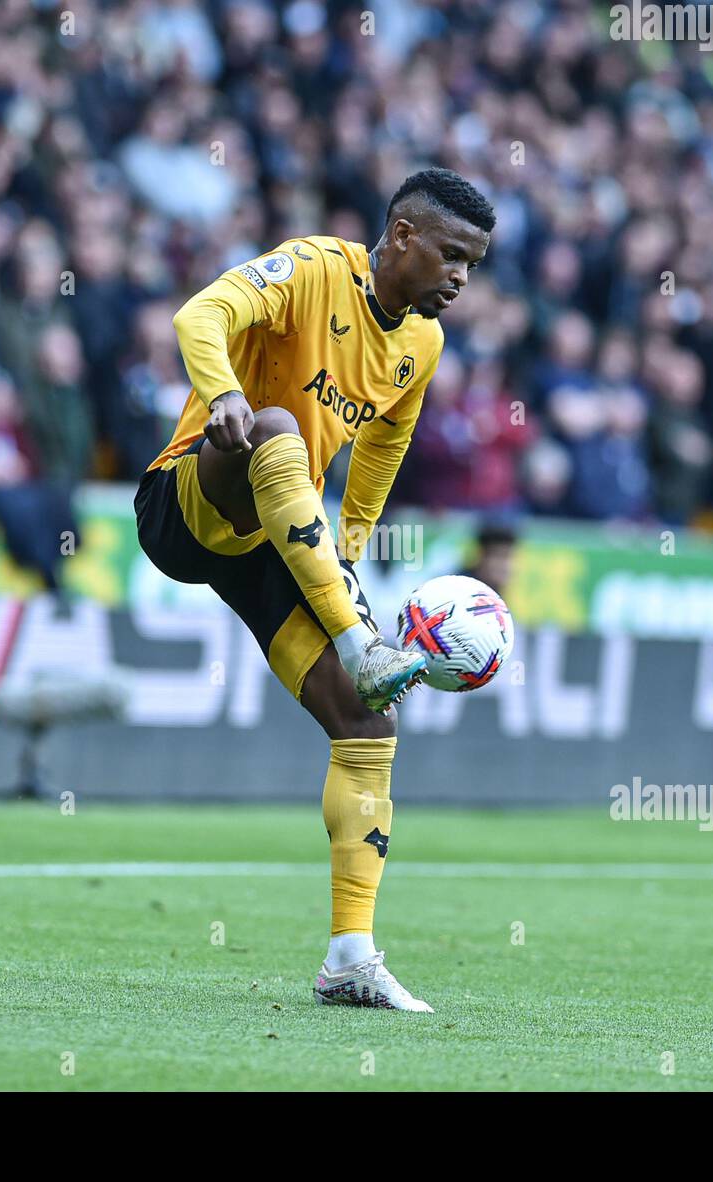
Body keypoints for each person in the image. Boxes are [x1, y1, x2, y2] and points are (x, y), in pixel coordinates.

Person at [135, 168, 494, 1011]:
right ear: (401, 234)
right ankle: (357, 640)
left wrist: (353, 548)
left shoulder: (423, 346)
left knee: (368, 720)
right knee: (276, 426)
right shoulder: (311, 268)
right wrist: (222, 390)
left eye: (473, 266)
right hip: (193, 498)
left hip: (279, 543)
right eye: (450, 255)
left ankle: (350, 955)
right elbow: (200, 314)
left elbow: (381, 451)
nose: (460, 279)